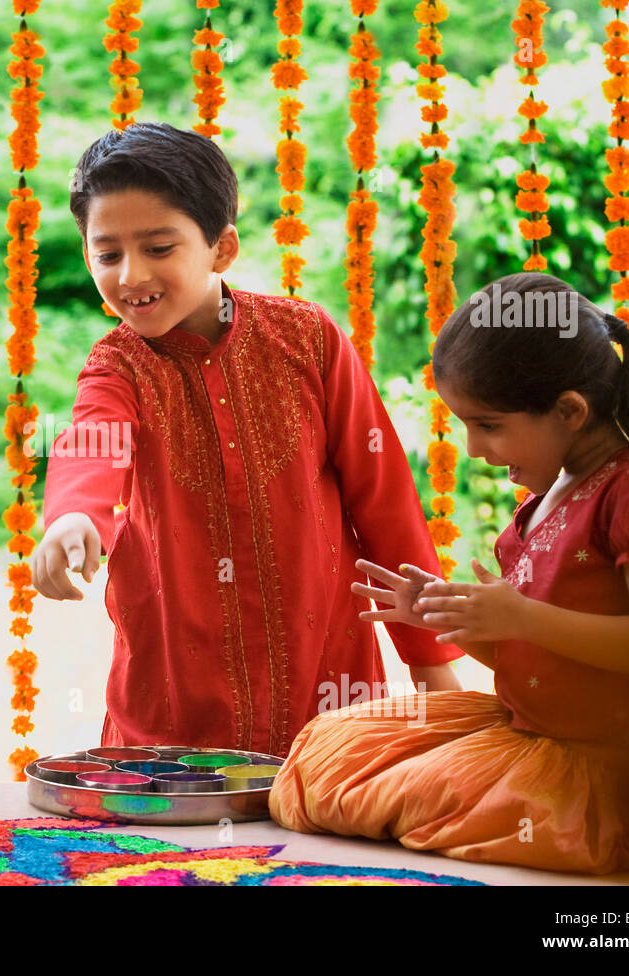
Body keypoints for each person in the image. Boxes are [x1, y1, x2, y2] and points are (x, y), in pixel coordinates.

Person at [269, 272, 629, 874]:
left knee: (393, 796)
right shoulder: (546, 499)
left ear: (569, 411)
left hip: (598, 761)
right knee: (324, 755)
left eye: (487, 425)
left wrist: (521, 614)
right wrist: (452, 619)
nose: (474, 449)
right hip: (521, 729)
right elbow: (534, 660)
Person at [31, 122, 462, 759]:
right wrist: (71, 515)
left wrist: (431, 665)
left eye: (158, 247)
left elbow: (385, 503)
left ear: (222, 247)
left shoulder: (308, 339)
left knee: (333, 849)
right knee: (172, 858)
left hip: (327, 694)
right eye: (108, 253)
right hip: (174, 714)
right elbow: (94, 438)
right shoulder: (115, 366)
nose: (130, 274)